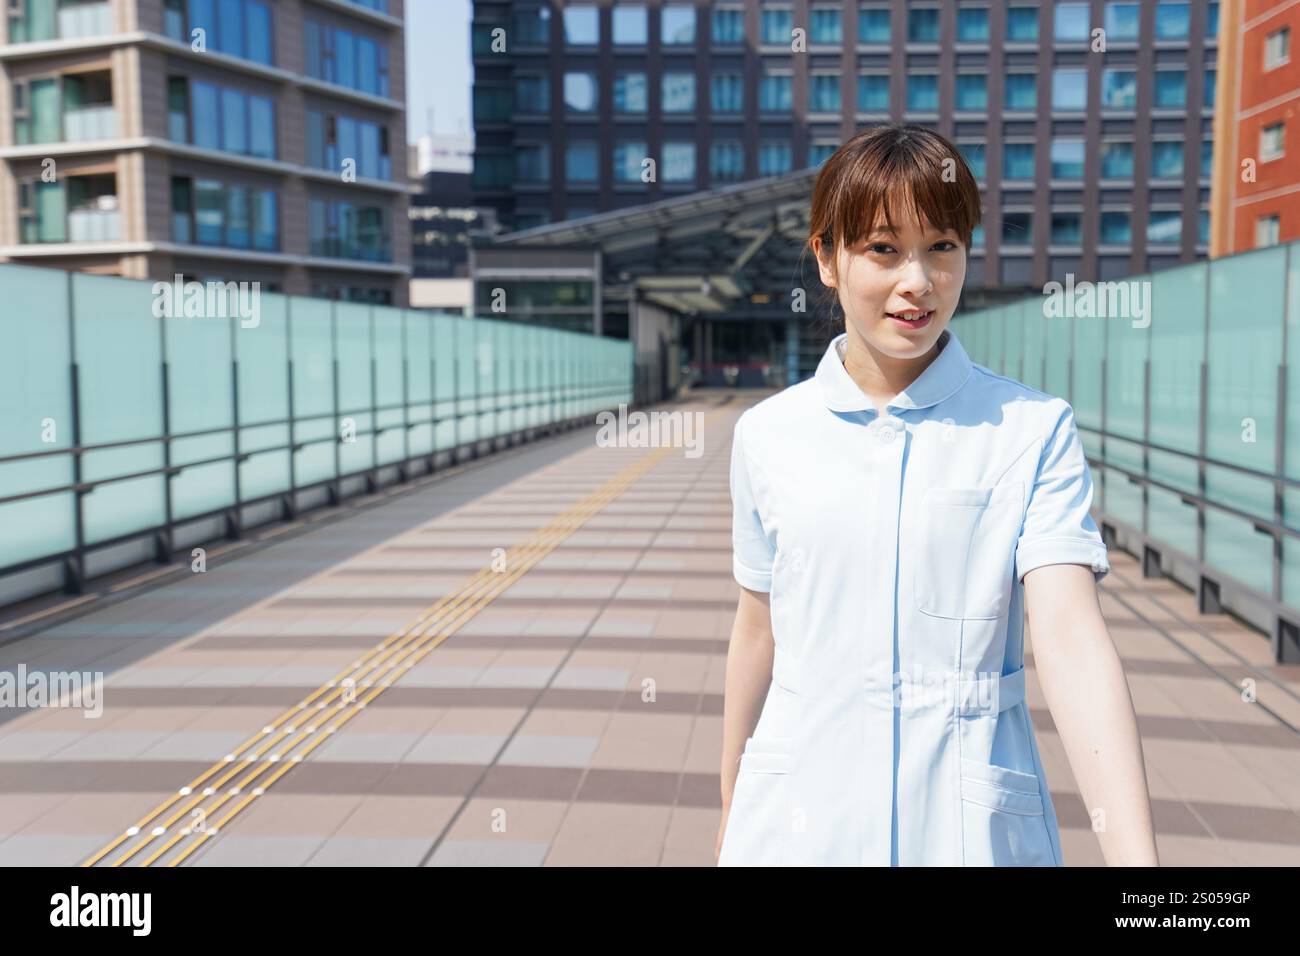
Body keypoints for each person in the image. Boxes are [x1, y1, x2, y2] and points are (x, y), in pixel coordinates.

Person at [715, 124, 1159, 866]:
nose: (917, 281)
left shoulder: (1030, 429)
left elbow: (1071, 642)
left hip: (969, 833)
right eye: (884, 249)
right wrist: (732, 805)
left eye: (942, 247)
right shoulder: (768, 436)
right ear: (827, 257)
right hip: (793, 825)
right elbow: (758, 629)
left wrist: (1139, 869)